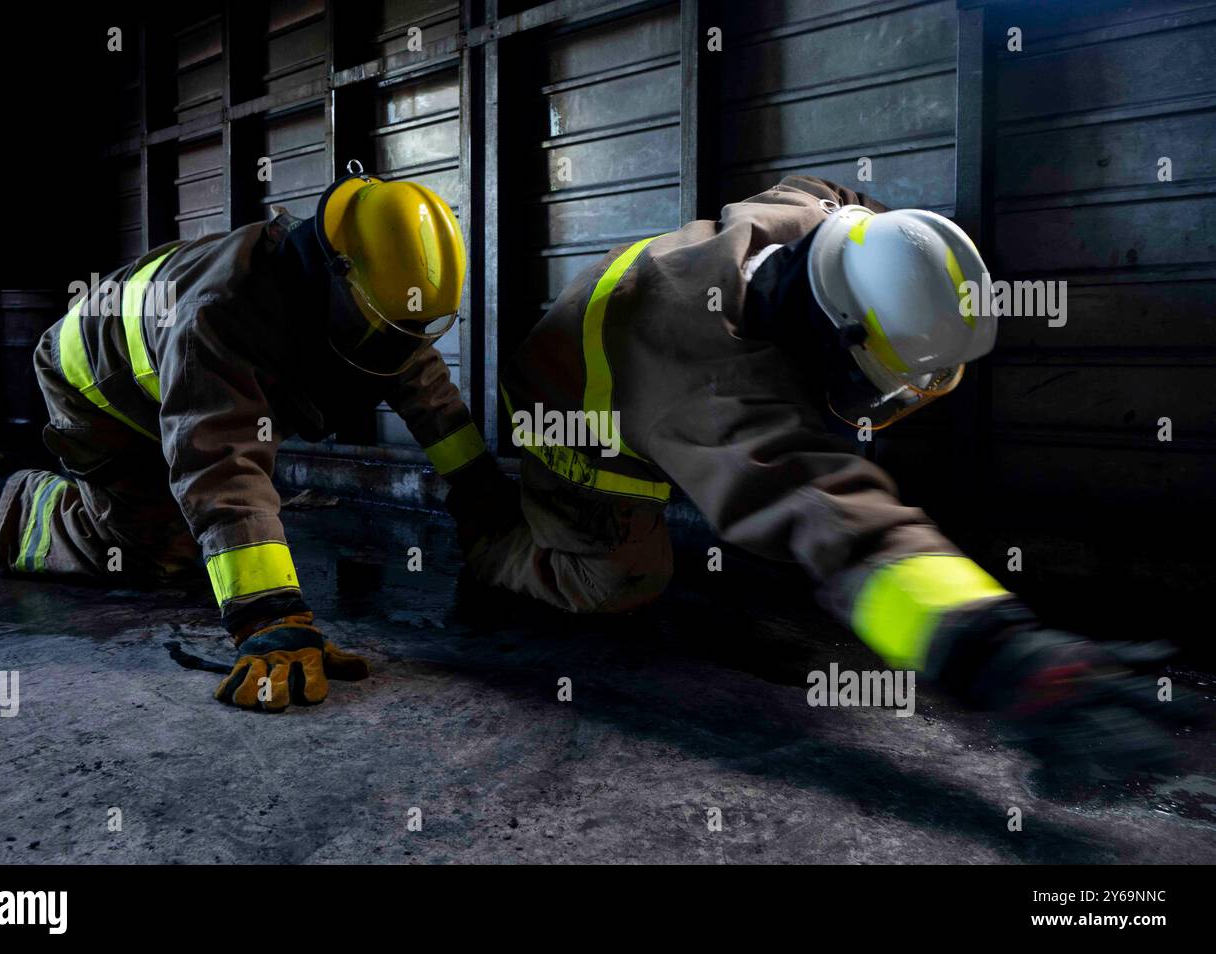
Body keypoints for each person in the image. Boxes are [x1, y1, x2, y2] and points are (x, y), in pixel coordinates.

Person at [448, 175, 1192, 772]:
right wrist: (997, 655)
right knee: (620, 580)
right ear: (832, 336)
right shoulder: (705, 387)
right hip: (570, 403)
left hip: (645, 351)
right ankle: (493, 543)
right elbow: (837, 522)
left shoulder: (822, 220)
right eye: (873, 387)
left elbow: (872, 226)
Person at [0, 167, 497, 712]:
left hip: (163, 375)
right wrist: (268, 615)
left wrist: (481, 490)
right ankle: (14, 501)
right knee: (152, 553)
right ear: (339, 279)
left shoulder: (365, 293)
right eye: (387, 332)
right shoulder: (219, 318)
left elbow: (424, 387)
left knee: (202, 537)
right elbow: (220, 460)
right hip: (97, 387)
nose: (398, 350)